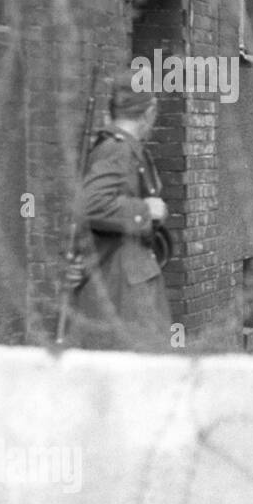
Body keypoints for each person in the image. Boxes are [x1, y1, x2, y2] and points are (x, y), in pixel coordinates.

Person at [71, 84, 172, 350]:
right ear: (149, 112)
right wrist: (145, 210)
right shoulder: (118, 149)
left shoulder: (123, 148)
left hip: (128, 282)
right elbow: (92, 204)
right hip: (123, 291)